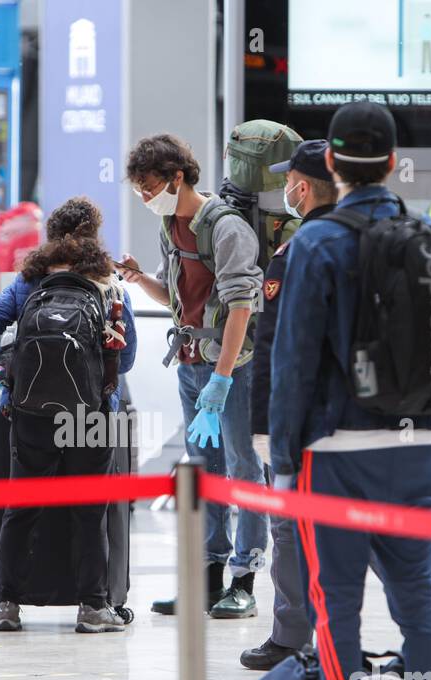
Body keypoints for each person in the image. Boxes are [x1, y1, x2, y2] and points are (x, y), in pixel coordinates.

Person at [270, 102, 431, 680]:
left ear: (334, 164)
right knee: (420, 603)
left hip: (337, 454)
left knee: (335, 605)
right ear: (396, 162)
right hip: (417, 450)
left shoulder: (317, 243)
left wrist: (283, 461)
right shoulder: (430, 234)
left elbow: (294, 367)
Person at [0, 197, 137, 633]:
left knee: (21, 507)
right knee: (88, 510)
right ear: (93, 237)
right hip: (91, 414)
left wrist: (3, 381)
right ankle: (92, 608)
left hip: (32, 412)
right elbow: (129, 356)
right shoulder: (109, 282)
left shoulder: (30, 282)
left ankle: (6, 605)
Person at [118, 134, 266, 619]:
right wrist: (141, 280)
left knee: (243, 469)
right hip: (188, 362)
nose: (145, 197)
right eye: (139, 189)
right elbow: (178, 299)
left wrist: (221, 383)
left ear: (177, 177)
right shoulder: (170, 224)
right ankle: (207, 578)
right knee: (204, 472)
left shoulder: (226, 229)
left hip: (231, 369)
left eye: (150, 186)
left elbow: (241, 307)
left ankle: (244, 579)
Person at [241, 140, 337, 670]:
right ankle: (335, 639)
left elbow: (273, 345)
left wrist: (264, 426)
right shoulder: (366, 237)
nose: (285, 191)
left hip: (301, 423)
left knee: (290, 529)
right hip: (360, 421)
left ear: (302, 187)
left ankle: (293, 637)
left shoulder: (298, 249)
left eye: (289, 182)